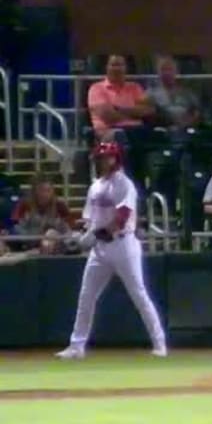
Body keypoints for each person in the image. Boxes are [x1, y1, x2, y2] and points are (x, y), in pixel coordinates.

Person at [56, 141, 168, 359]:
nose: (102, 161)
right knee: (86, 296)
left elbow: (121, 218)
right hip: (100, 249)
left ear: (116, 158)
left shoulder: (125, 184)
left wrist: (92, 236)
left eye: (106, 157)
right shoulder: (95, 185)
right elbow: (89, 218)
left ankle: (159, 343)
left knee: (138, 293)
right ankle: (77, 346)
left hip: (123, 245)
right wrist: (83, 235)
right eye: (99, 157)